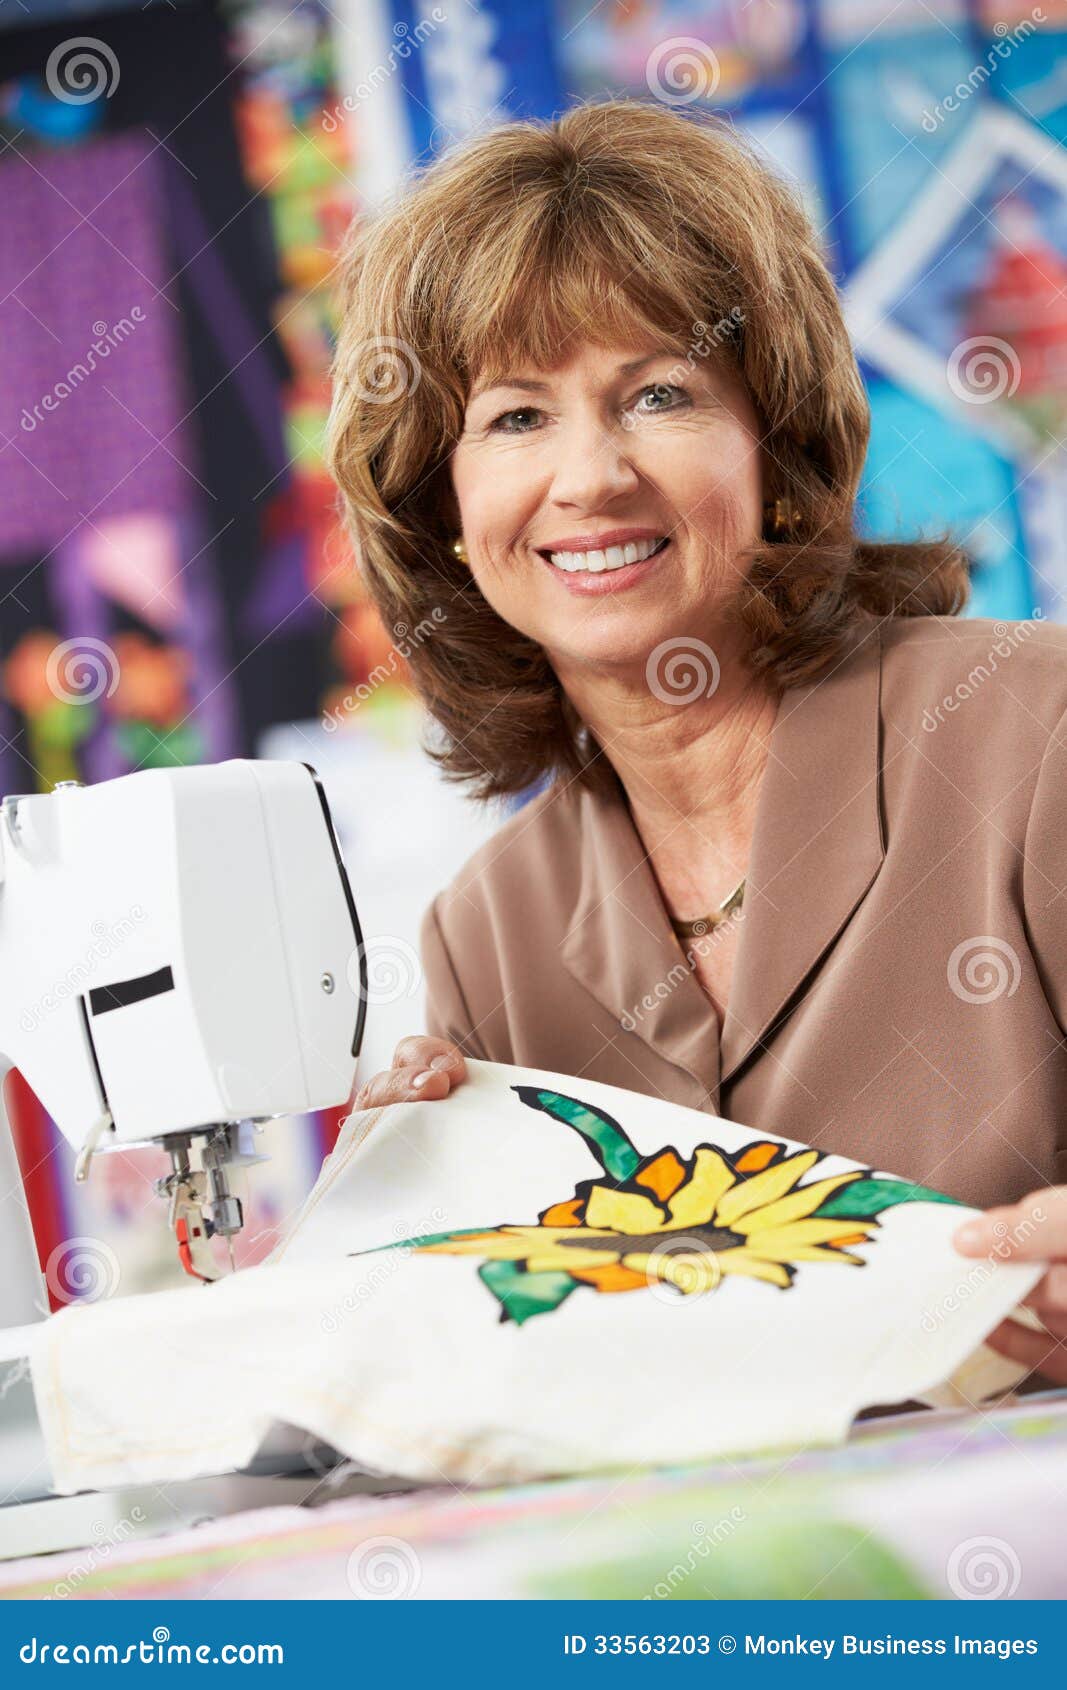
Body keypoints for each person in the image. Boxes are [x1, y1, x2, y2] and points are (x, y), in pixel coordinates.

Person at [325, 98, 1067, 1385]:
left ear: (770, 450)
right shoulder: (488, 934)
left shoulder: (1028, 730)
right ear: (442, 508)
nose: (590, 477)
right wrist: (413, 1235)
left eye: (656, 394)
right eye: (513, 418)